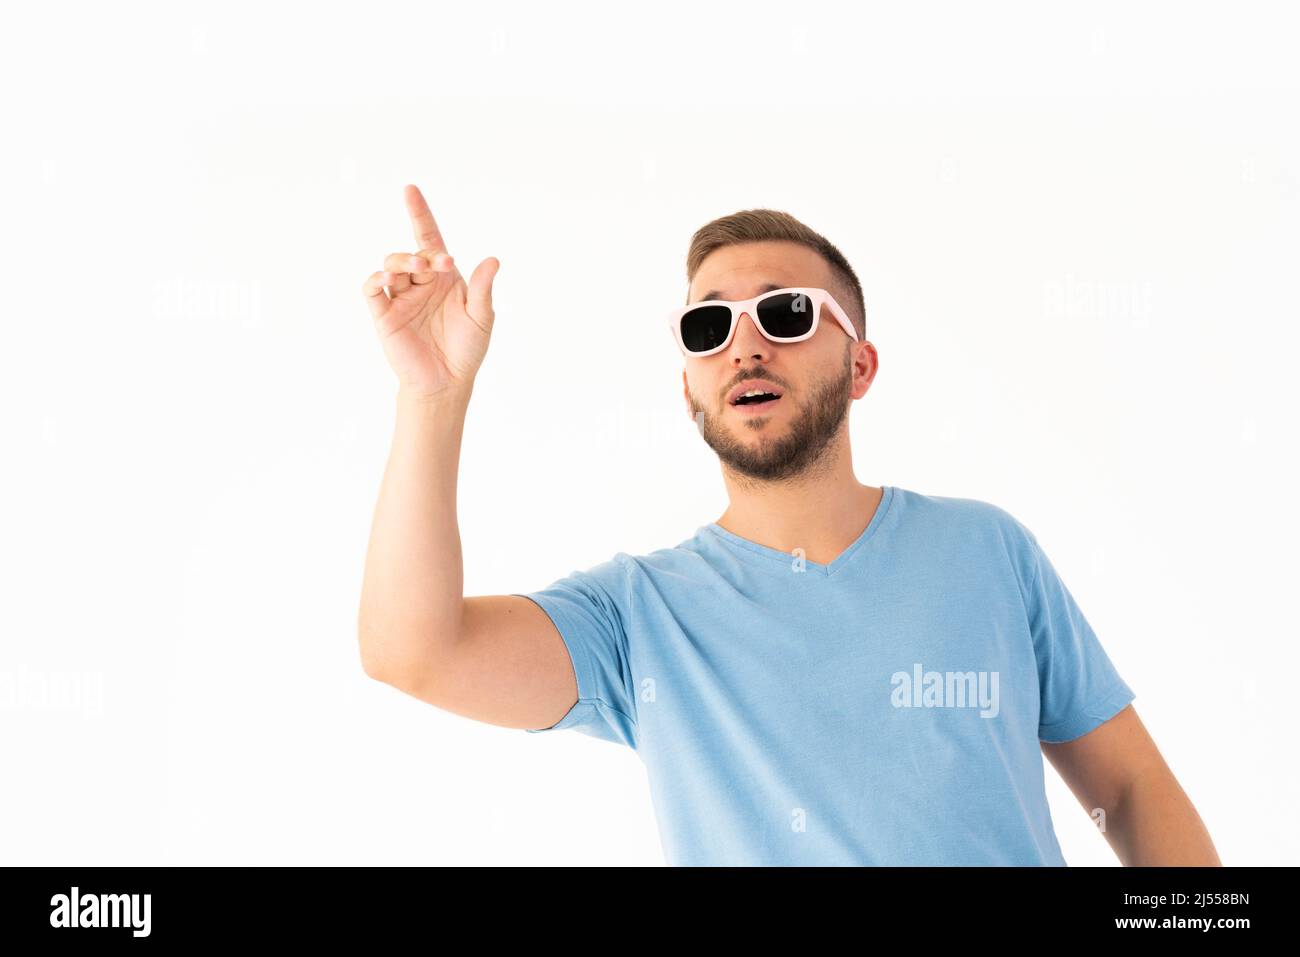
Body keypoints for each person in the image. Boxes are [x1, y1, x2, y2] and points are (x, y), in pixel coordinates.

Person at [357, 184, 1220, 867]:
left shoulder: (989, 550)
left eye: (786, 313)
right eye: (709, 324)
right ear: (687, 385)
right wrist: (433, 398)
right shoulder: (637, 618)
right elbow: (411, 650)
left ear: (861, 364)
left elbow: (1134, 789)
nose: (745, 344)